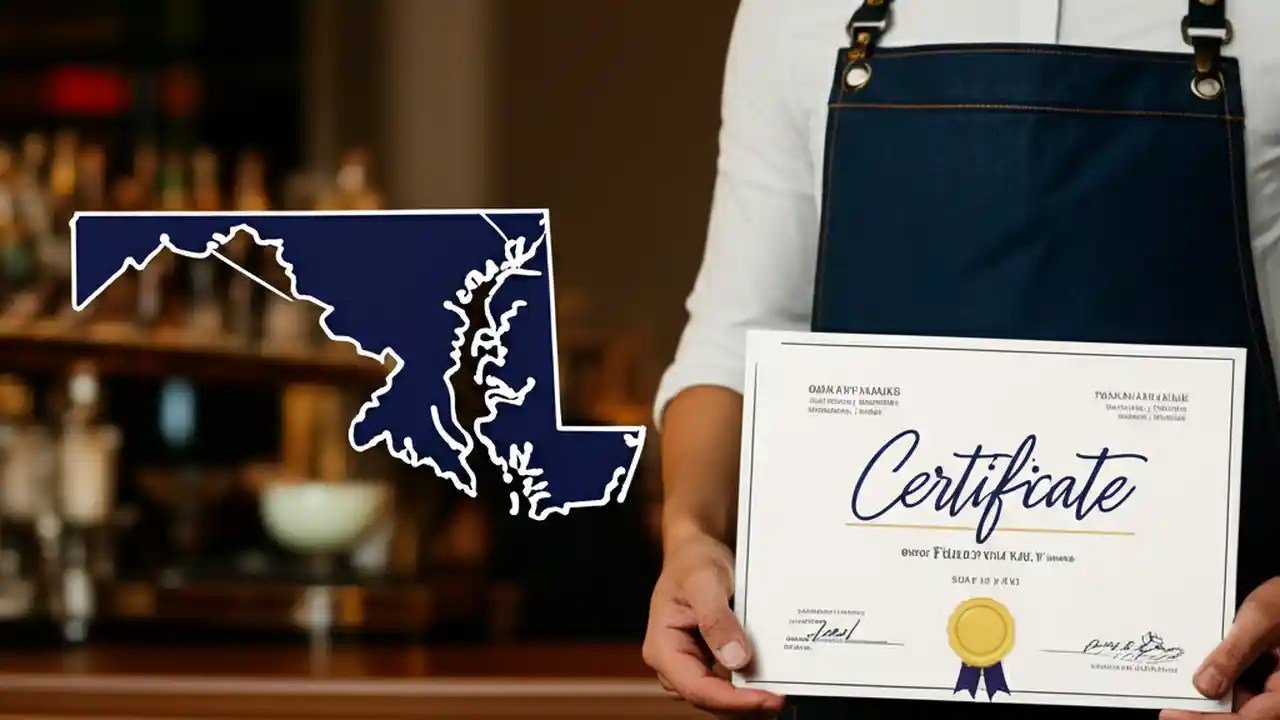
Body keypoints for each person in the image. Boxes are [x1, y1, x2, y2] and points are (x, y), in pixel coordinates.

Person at [643, 1, 1280, 718]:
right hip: (862, 672)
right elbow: (739, 337)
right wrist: (690, 531)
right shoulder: (796, 10)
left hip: (1215, 677)